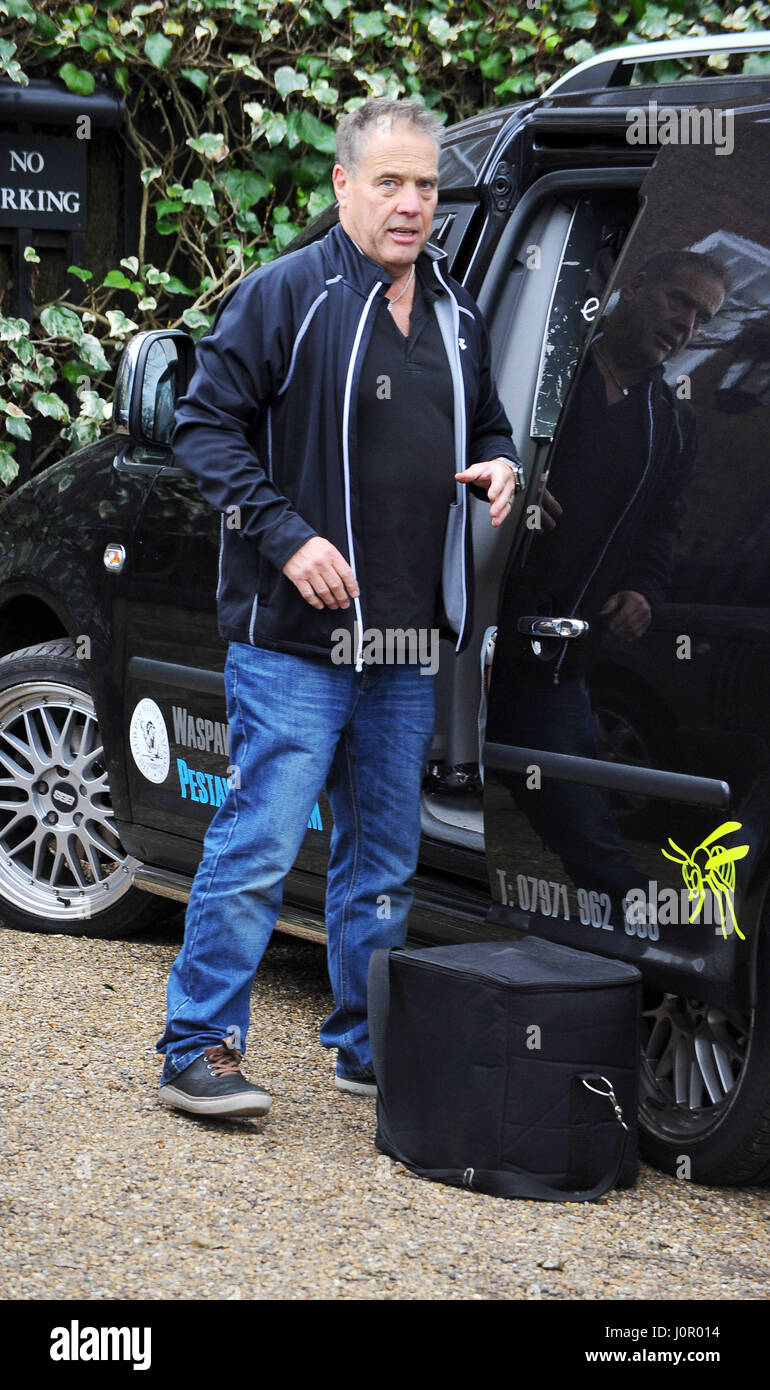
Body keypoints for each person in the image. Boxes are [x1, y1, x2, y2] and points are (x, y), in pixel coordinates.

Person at [156, 97, 523, 1117]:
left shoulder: (456, 316)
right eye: (389, 182)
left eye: (425, 185)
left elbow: (488, 425)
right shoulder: (286, 296)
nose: (410, 204)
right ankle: (197, 1047)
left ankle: (367, 1046)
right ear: (342, 186)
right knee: (262, 840)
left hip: (405, 640)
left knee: (383, 862)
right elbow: (202, 429)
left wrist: (498, 464)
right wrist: (290, 538)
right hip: (296, 641)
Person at [488, 250, 728, 907]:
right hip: (464, 630)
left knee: (582, 823)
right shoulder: (546, 369)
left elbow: (660, 529)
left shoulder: (670, 425)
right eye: (679, 301)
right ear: (635, 281)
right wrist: (506, 473)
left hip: (551, 656)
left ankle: (648, 953)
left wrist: (644, 591)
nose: (685, 325)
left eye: (701, 318)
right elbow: (456, 436)